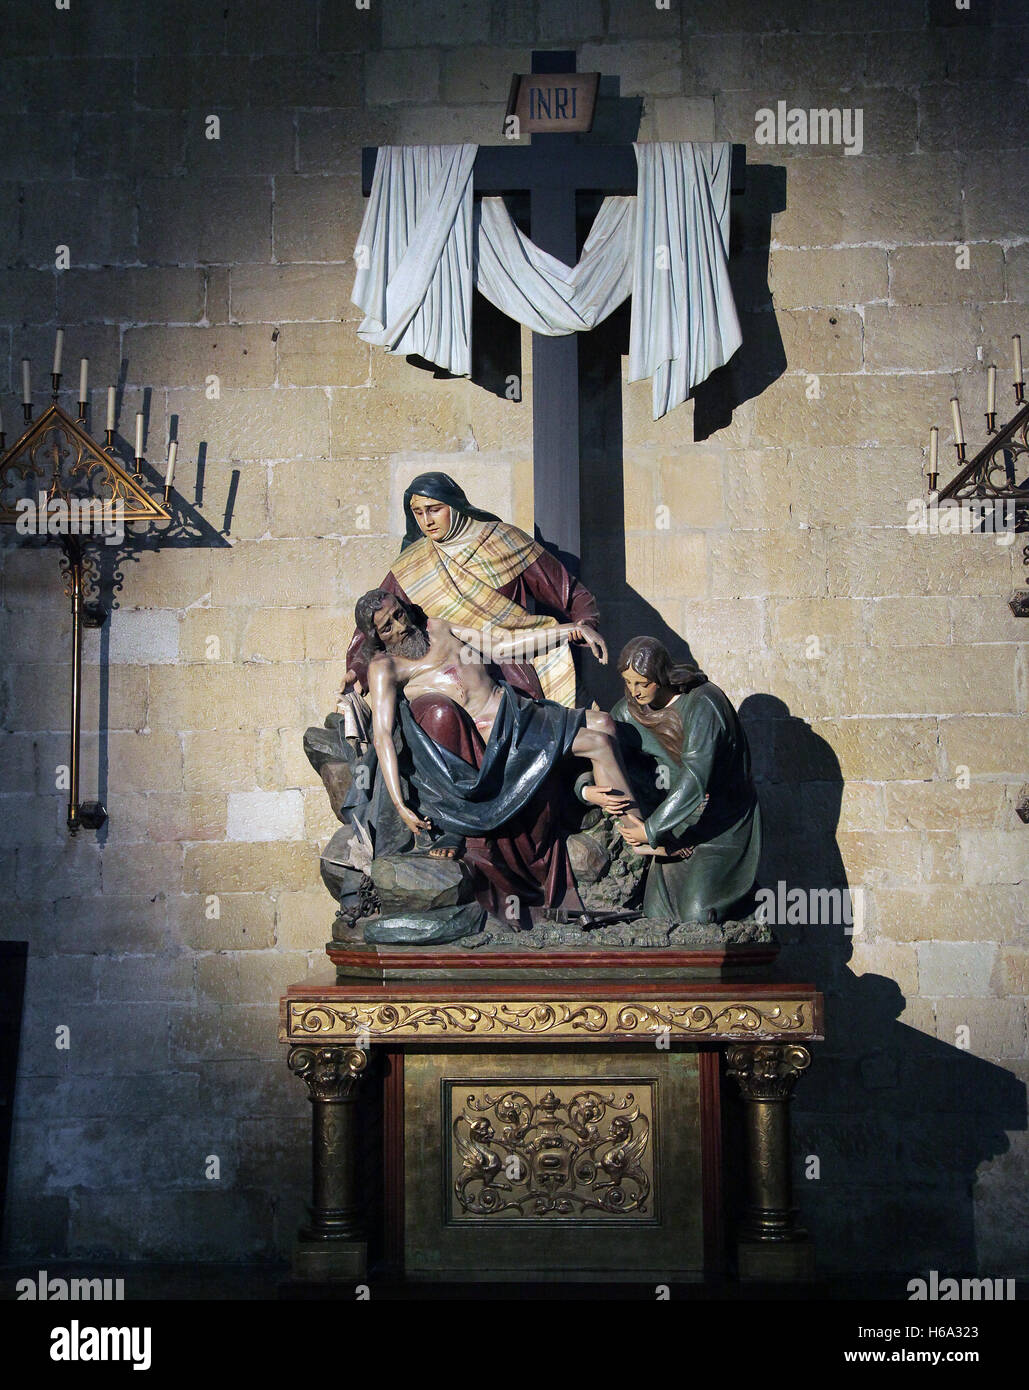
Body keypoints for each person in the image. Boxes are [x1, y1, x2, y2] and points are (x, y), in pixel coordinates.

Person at [355, 589, 647, 925]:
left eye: (398, 615)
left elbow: (502, 646)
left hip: (516, 711)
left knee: (606, 723)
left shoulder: (437, 628)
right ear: (376, 636)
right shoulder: (385, 667)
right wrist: (399, 803)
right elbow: (382, 736)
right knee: (597, 743)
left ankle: (630, 821)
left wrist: (570, 631)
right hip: (496, 739)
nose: (399, 627)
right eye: (386, 627)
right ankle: (639, 835)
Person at [342, 472, 606, 709]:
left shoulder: (504, 540)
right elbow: (372, 621)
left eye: (434, 510)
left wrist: (585, 623)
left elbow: (569, 592)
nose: (426, 521)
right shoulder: (413, 564)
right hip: (448, 672)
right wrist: (357, 670)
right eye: (418, 513)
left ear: (454, 506)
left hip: (513, 659)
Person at [581, 636, 761, 924]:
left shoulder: (704, 703)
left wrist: (650, 830)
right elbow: (597, 750)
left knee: (697, 917)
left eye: (642, 683)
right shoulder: (628, 711)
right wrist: (586, 789)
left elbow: (695, 777)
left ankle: (745, 907)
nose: (635, 692)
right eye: (628, 683)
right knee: (659, 915)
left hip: (721, 821)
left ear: (661, 676)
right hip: (674, 824)